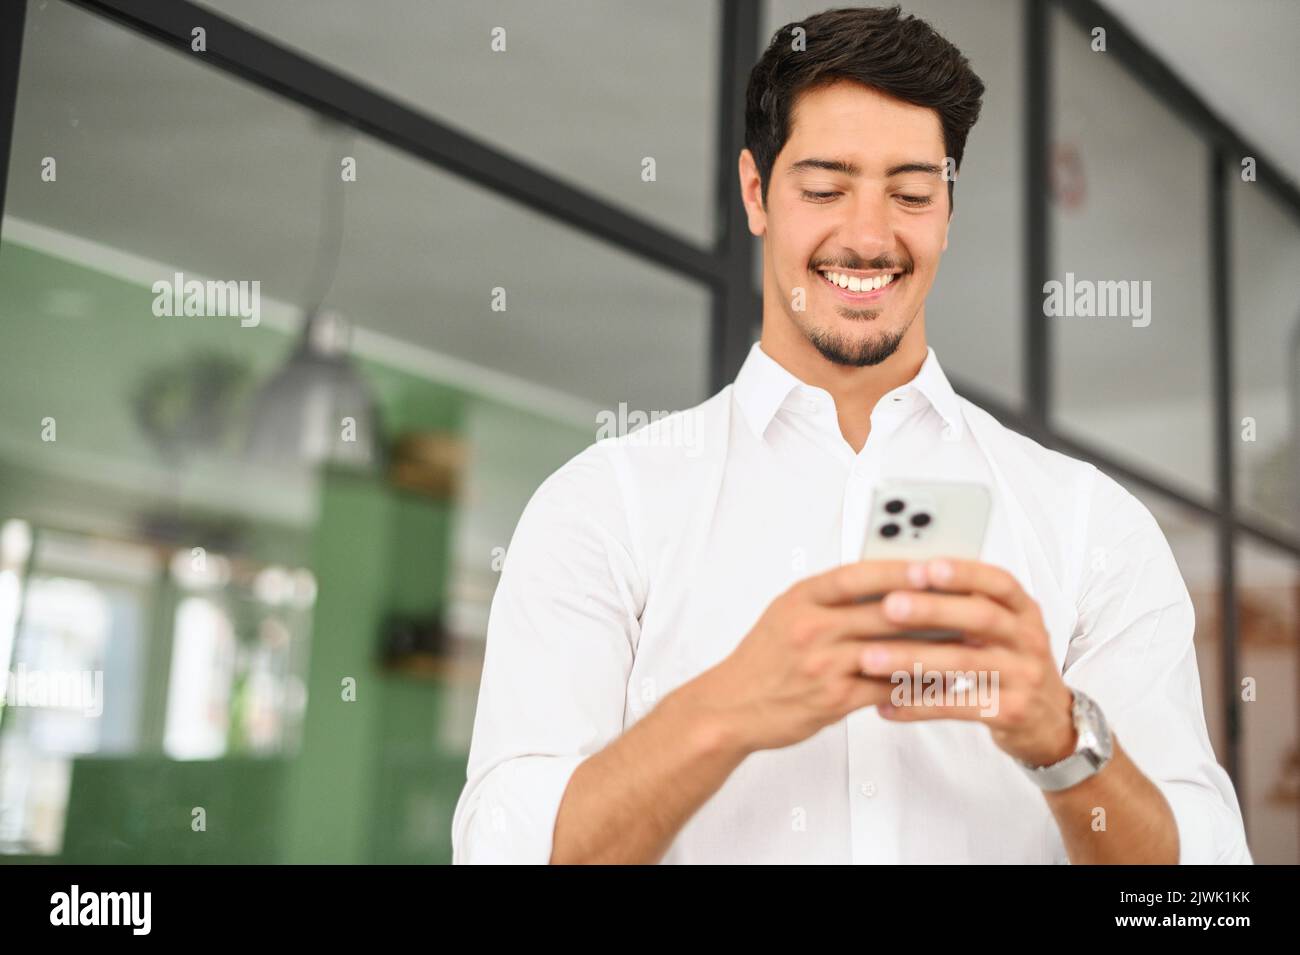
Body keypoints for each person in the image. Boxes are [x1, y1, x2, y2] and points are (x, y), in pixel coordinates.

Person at [451, 4, 1251, 864]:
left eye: (910, 193)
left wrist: (1063, 739)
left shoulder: (1093, 526)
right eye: (826, 189)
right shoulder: (604, 507)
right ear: (756, 194)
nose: (869, 237)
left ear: (947, 210)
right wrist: (724, 707)